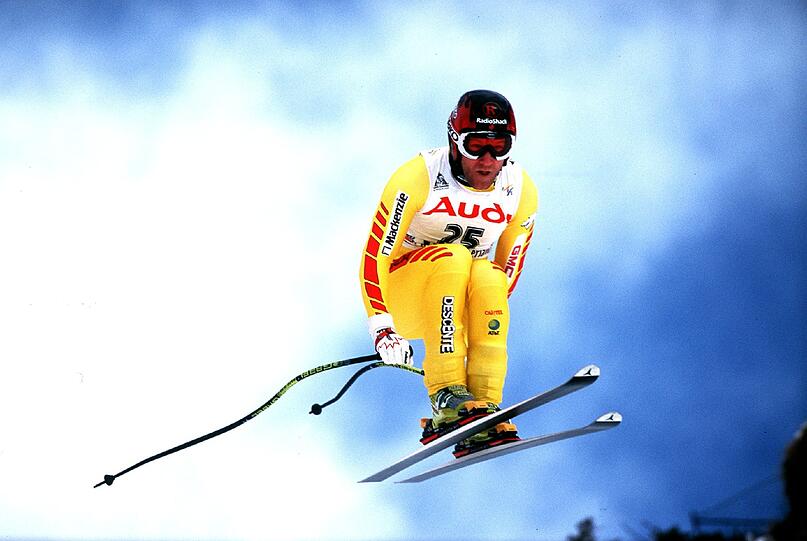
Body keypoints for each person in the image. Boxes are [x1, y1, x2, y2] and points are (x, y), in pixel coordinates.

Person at [358, 89, 538, 456]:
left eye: (500, 147)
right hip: (404, 296)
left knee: (490, 276)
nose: (488, 160)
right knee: (454, 257)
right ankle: (445, 394)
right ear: (455, 141)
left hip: (450, 309)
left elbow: (510, 269)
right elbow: (376, 254)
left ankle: (483, 407)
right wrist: (382, 327)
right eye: (476, 146)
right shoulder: (418, 177)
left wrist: (476, 323)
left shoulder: (519, 190)